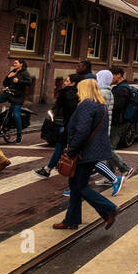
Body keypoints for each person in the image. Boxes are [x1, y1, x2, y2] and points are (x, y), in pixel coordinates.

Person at [52, 78, 118, 231]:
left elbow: (82, 131)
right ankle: (71, 219)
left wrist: (72, 151)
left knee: (80, 186)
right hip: (93, 152)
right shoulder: (100, 105)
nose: (77, 93)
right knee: (75, 186)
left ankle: (109, 208)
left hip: (84, 153)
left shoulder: (87, 105)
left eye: (79, 89)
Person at [34, 75, 79, 179]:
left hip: (68, 125)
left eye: (67, 81)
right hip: (70, 124)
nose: (65, 83)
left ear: (73, 83)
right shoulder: (76, 93)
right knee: (61, 146)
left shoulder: (66, 94)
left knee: (62, 146)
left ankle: (48, 169)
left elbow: (66, 110)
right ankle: (48, 168)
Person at [103, 67, 137, 177]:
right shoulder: (119, 88)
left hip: (118, 123)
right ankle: (110, 175)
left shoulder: (122, 90)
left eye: (112, 75)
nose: (110, 78)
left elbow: (117, 107)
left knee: (108, 149)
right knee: (109, 148)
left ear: (118, 75)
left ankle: (126, 168)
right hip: (117, 122)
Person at [1, 59, 32, 142]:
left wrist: (19, 81)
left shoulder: (24, 72)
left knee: (16, 114)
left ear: (21, 64)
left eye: (16, 63)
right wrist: (8, 77)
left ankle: (19, 135)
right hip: (8, 93)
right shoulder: (12, 72)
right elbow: (5, 84)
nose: (14, 64)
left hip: (18, 96)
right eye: (14, 63)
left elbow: (29, 82)